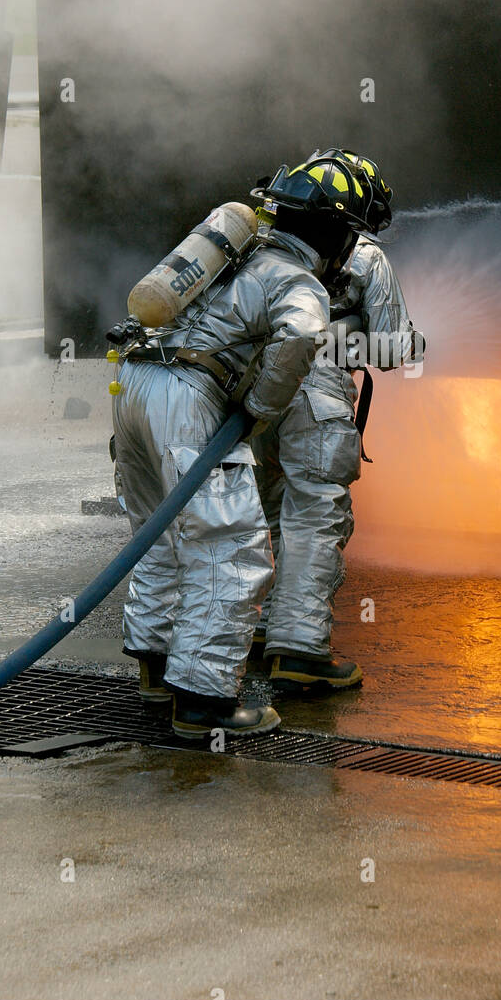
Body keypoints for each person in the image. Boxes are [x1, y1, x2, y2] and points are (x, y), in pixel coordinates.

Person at [111, 157, 372, 739]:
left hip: (132, 381)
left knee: (160, 532)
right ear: (336, 233)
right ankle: (203, 701)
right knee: (229, 547)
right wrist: (259, 410)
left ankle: (157, 666)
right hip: (189, 399)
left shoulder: (233, 253)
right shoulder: (297, 278)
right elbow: (303, 335)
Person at [251, 149, 422, 689]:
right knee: (316, 519)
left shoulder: (263, 241)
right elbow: (395, 350)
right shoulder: (366, 256)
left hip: (255, 392)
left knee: (274, 513)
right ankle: (299, 651)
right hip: (317, 399)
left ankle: (268, 629)